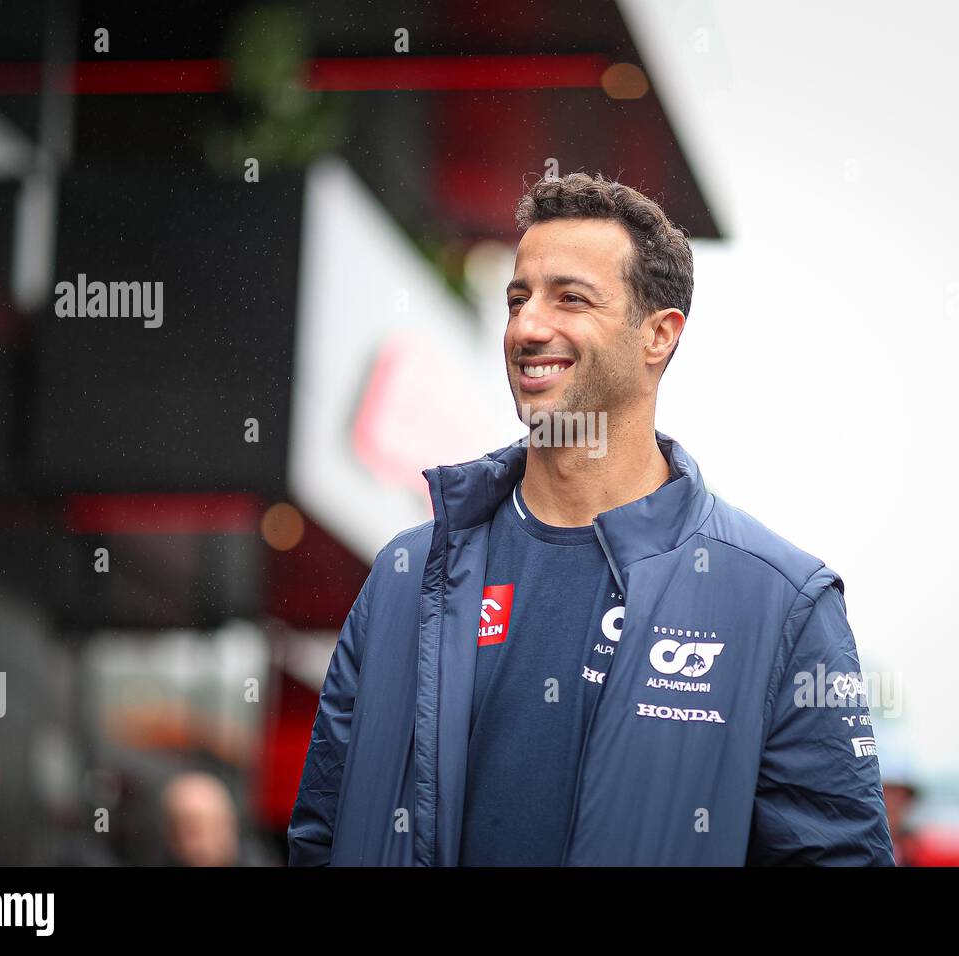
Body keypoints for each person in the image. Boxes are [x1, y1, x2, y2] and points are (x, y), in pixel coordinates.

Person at [288, 172, 893, 866]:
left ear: (658, 336)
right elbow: (319, 837)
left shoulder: (780, 601)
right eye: (518, 299)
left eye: (569, 298)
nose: (528, 327)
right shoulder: (405, 574)